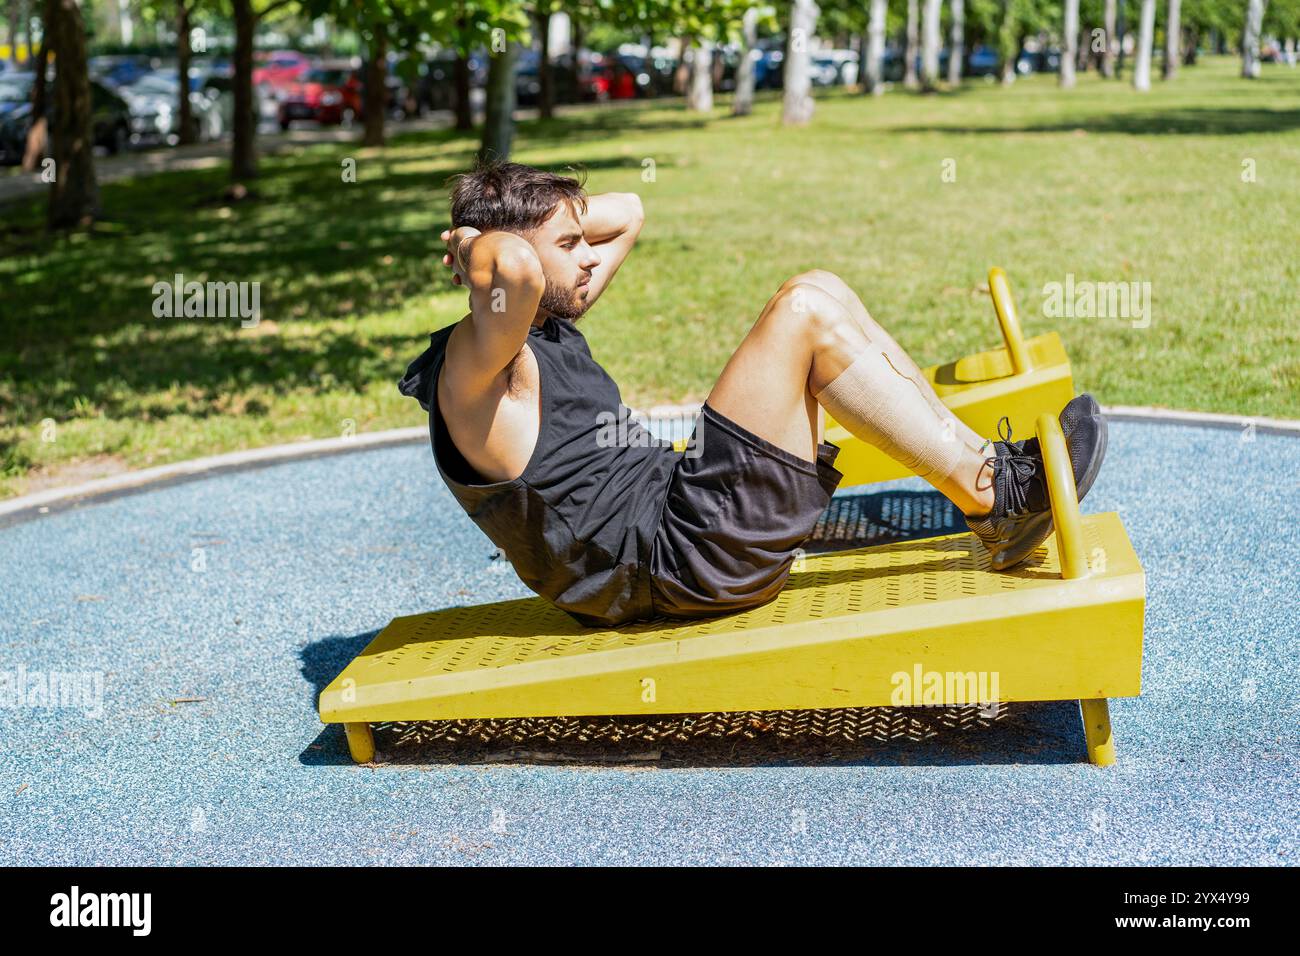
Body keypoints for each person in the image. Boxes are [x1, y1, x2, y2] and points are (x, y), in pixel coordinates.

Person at [399, 162, 1107, 628]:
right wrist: (474, 244)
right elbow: (516, 267)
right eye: (571, 243)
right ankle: (996, 496)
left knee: (821, 289)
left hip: (685, 522)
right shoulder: (480, 371)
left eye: (584, 239)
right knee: (803, 308)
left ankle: (990, 478)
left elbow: (631, 212)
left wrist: (549, 216)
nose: (591, 254)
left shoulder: (543, 319)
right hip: (674, 562)